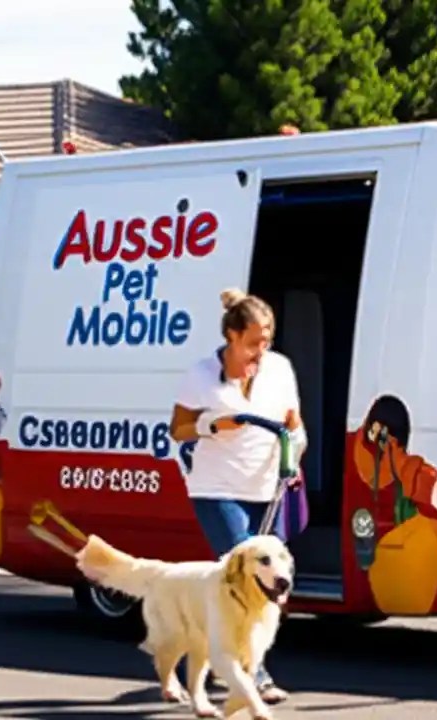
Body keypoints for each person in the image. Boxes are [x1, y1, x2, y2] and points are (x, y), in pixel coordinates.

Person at [169, 288, 307, 705]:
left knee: (273, 584)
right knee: (248, 580)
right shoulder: (201, 375)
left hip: (268, 487)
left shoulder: (280, 369)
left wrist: (295, 455)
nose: (260, 352)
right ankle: (256, 674)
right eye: (252, 343)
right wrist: (213, 425)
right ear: (231, 337)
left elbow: (293, 424)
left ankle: (196, 653)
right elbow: (178, 430)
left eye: (266, 342)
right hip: (217, 490)